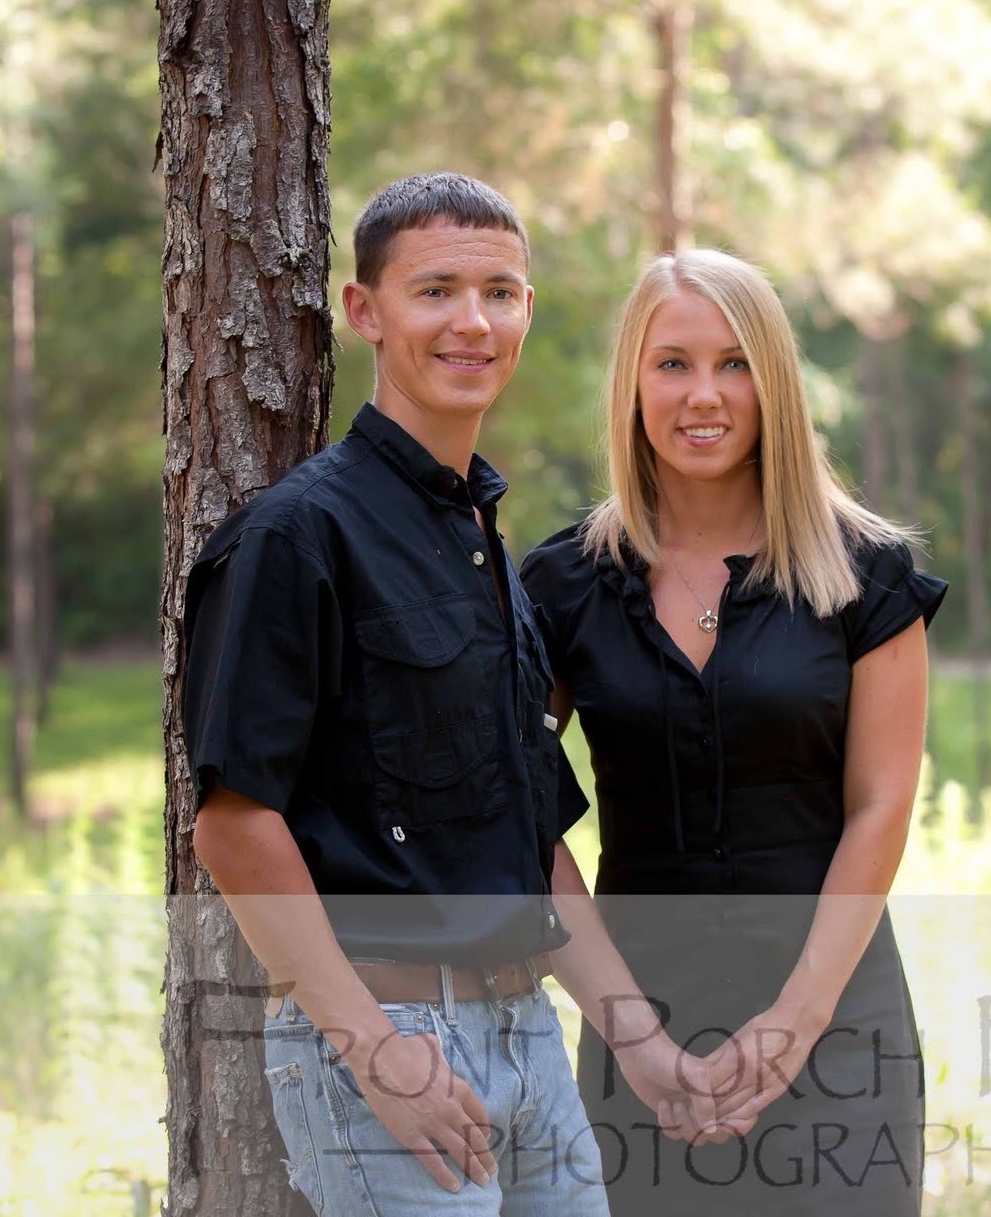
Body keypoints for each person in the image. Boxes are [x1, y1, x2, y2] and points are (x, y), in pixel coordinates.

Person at [183, 173, 712, 1217]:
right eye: (436, 291)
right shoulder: (297, 536)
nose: (473, 320)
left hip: (526, 1035)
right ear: (366, 312)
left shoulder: (484, 548)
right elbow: (236, 826)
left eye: (501, 291)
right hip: (387, 1043)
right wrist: (377, 1052)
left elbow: (530, 842)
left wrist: (640, 1044)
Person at [520, 247, 946, 1214]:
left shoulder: (865, 576)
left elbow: (881, 809)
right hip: (638, 1027)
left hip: (837, 1024)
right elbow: (518, 818)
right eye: (672, 362)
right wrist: (635, 1039)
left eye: (734, 362)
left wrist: (794, 1023)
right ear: (633, 380)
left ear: (775, 381)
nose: (702, 394)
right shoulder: (563, 587)